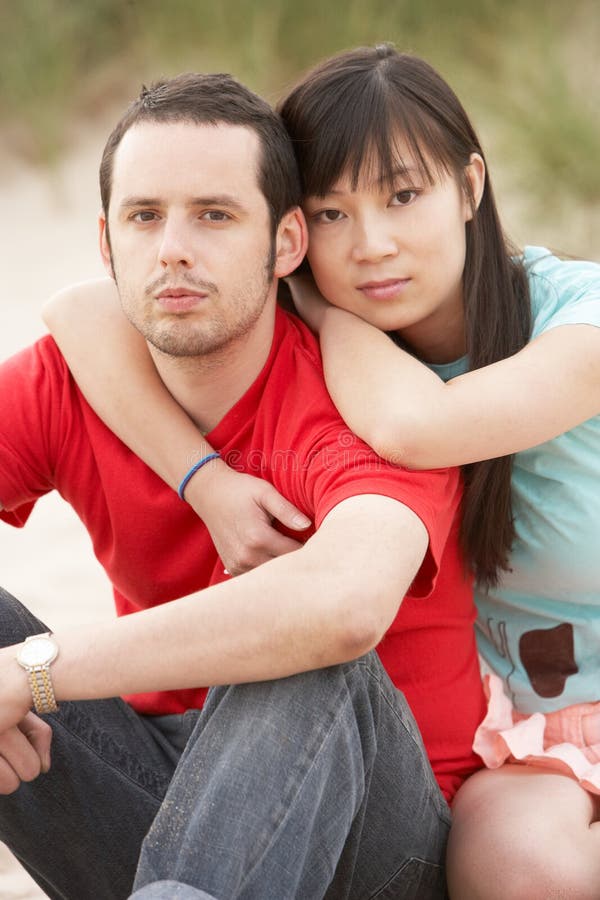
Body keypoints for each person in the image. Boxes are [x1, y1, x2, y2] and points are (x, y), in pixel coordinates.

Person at [45, 45, 600, 899]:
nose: (372, 245)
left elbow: (418, 426)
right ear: (297, 232)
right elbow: (82, 309)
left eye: (403, 196)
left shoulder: (576, 320)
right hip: (521, 731)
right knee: (513, 870)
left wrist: (317, 303)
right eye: (332, 213)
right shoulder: (344, 356)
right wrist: (203, 478)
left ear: (470, 186)